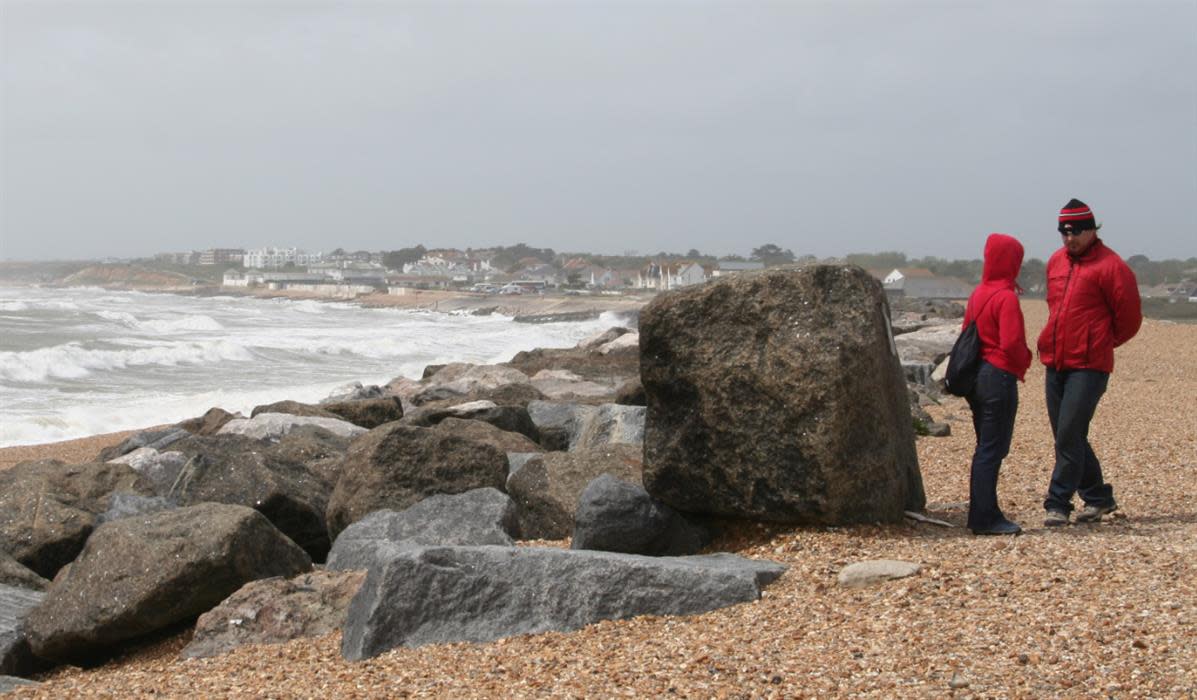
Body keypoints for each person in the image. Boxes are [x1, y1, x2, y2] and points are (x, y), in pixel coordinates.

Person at [1038, 199, 1142, 526]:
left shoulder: (1113, 267)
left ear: (1092, 230)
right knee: (1067, 434)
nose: (1070, 238)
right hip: (1055, 361)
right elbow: (1054, 306)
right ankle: (1098, 498)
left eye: (1077, 232)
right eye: (1064, 232)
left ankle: (1058, 503)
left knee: (1069, 434)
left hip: (1089, 365)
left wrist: (1101, 342)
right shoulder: (1055, 262)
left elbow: (1130, 318)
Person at [962, 233, 1032, 535]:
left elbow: (967, 333)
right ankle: (984, 516)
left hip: (976, 377)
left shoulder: (978, 293)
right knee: (992, 449)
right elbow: (1012, 343)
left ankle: (983, 512)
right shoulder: (1006, 297)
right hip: (998, 376)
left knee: (985, 448)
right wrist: (1026, 360)